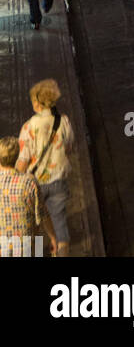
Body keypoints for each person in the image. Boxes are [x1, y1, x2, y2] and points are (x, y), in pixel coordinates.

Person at [16, 79, 73, 256]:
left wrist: (15, 177)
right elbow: (69, 145)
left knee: (34, 220)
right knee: (59, 219)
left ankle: (45, 245)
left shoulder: (29, 126)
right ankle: (60, 247)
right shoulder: (63, 121)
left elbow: (23, 158)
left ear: (37, 104)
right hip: (58, 179)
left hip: (36, 182)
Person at [0, 136, 56, 258]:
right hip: (27, 246)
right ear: (17, 157)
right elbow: (42, 214)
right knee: (38, 243)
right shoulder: (29, 182)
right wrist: (53, 237)